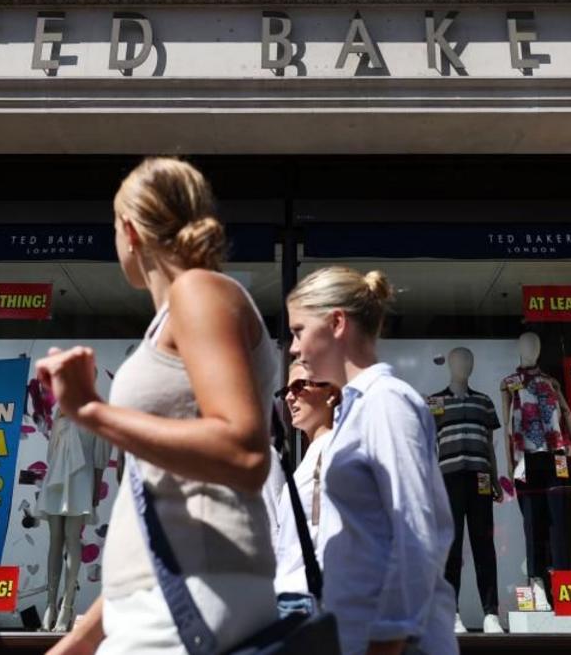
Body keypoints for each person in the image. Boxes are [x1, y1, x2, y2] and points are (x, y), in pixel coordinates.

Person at [37, 157, 281, 655]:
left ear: (128, 230)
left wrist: (91, 411)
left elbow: (244, 452)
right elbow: (155, 508)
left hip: (189, 600)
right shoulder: (180, 311)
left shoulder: (199, 291)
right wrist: (79, 643)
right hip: (167, 597)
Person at [286, 266, 458, 655]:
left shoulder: (385, 402)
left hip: (396, 644)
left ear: (336, 322)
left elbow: (415, 528)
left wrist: (388, 638)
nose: (294, 347)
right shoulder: (358, 408)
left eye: (299, 330)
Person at [272, 362, 339, 618]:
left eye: (300, 387)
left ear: (331, 393)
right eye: (286, 390)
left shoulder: (333, 450)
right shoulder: (314, 453)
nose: (289, 396)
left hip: (310, 602)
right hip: (293, 597)